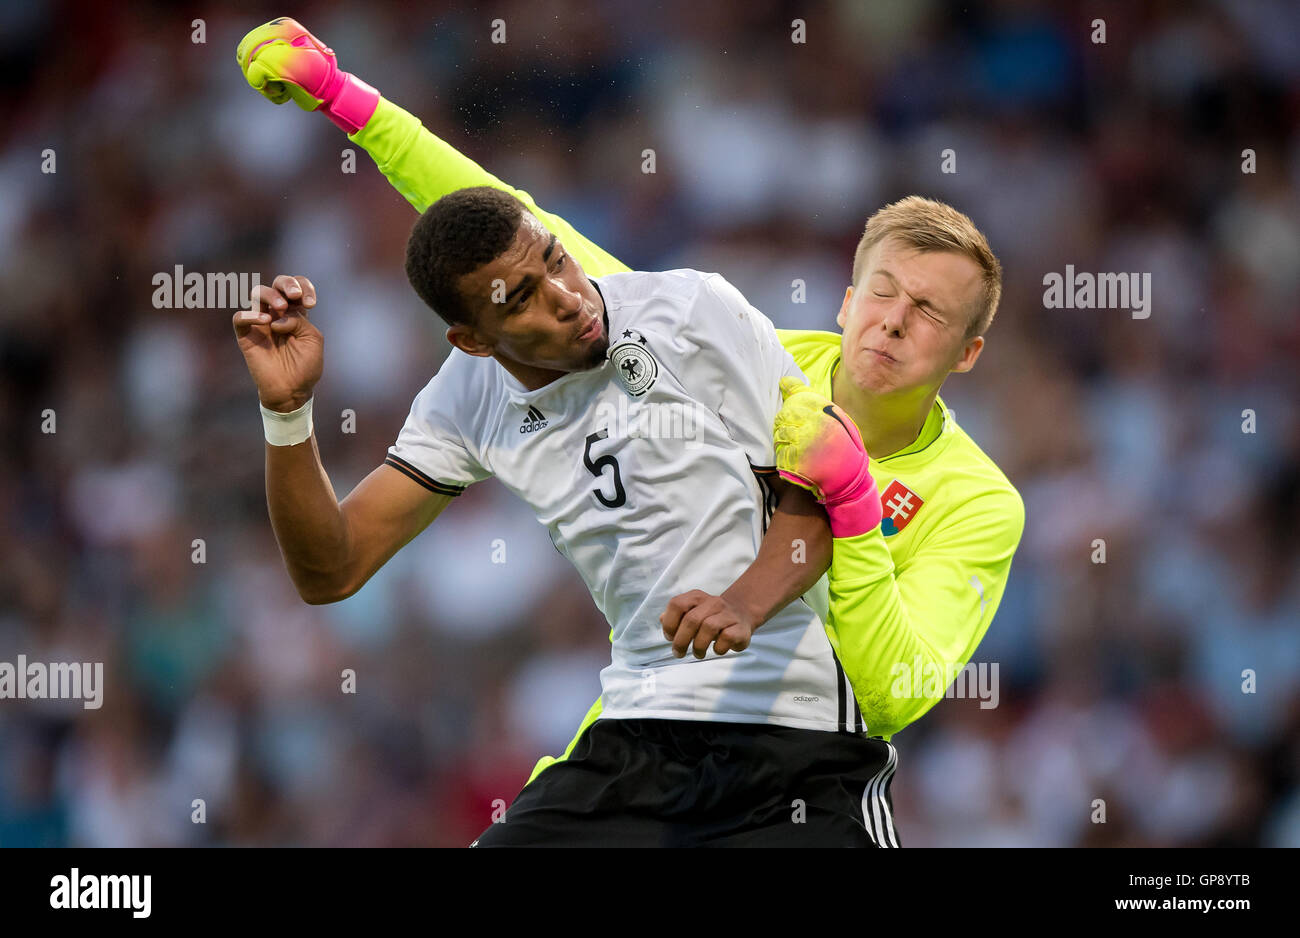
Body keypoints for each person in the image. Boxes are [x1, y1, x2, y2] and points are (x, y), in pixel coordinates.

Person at [235, 18, 1027, 847]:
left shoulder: (972, 499)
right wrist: (347, 103)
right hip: (640, 738)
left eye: (929, 312)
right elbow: (493, 214)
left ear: (969, 352)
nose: (894, 322)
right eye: (885, 292)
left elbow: (889, 693)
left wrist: (841, 512)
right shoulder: (644, 336)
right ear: (847, 298)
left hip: (801, 752)